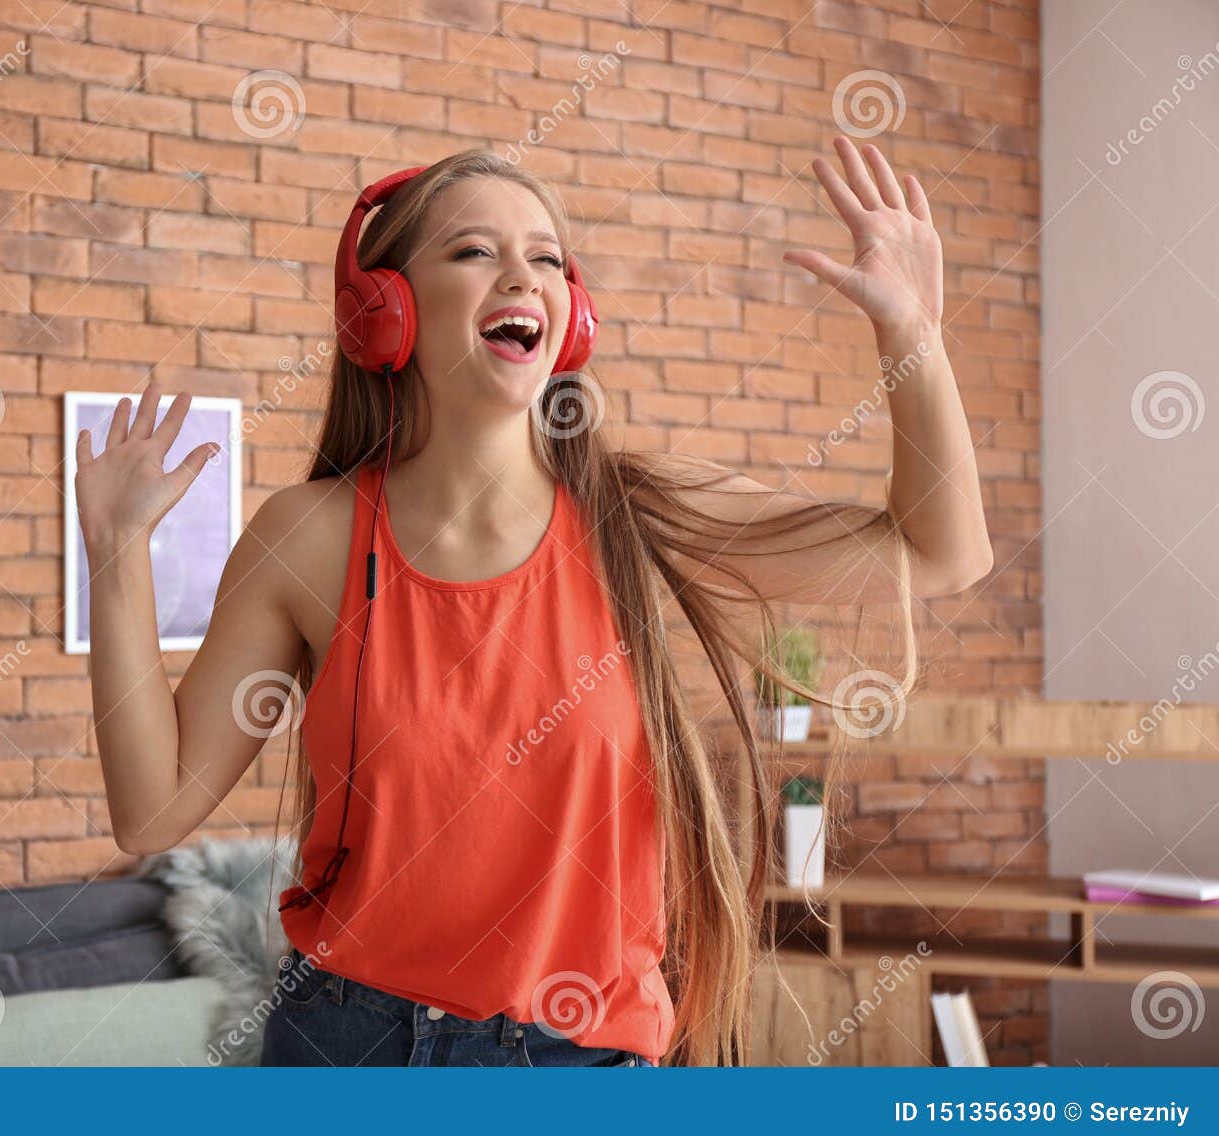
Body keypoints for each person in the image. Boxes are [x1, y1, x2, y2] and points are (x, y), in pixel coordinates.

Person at [73, 141, 993, 1067]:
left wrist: (911, 333)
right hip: (350, 1048)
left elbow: (940, 552)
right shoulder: (308, 537)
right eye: (474, 251)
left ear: (572, 318)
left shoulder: (637, 515)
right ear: (383, 313)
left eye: (548, 258)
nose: (523, 274)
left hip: (583, 1064)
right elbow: (152, 812)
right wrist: (116, 555)